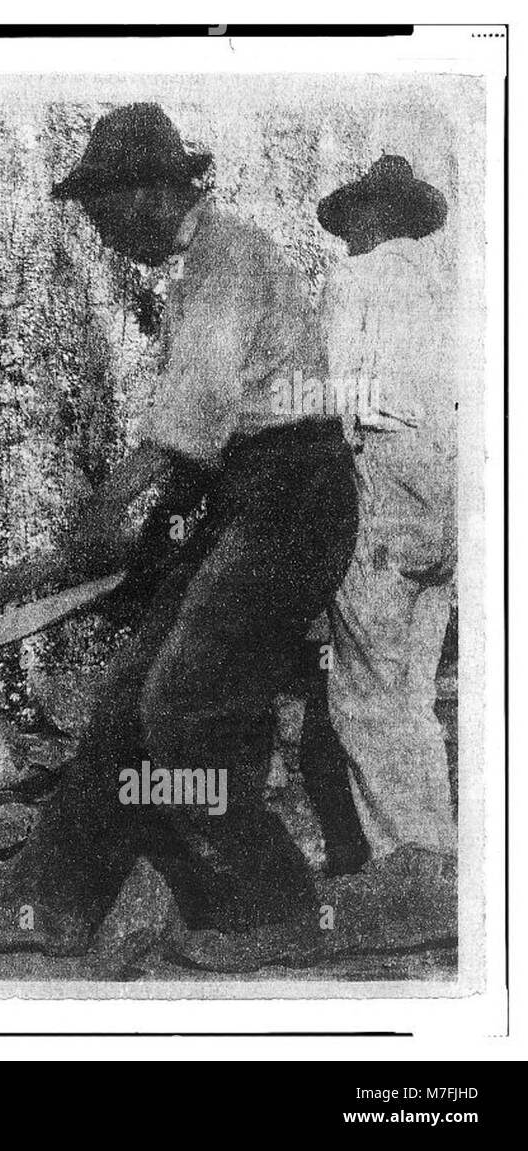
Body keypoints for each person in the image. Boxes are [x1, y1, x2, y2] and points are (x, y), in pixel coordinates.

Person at [0, 103, 359, 965]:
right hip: (250, 489)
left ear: (147, 192)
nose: (100, 232)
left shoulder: (226, 256)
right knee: (130, 700)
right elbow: (207, 446)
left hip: (294, 495)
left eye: (102, 213)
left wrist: (105, 507)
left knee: (180, 708)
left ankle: (275, 905)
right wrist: (154, 543)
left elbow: (193, 416)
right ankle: (47, 906)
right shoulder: (201, 264)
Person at [299, 155, 458, 875]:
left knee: (364, 693)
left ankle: (405, 865)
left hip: (383, 483)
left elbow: (326, 404)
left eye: (354, 222)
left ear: (370, 218)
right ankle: (439, 857)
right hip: (448, 498)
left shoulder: (355, 280)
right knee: (413, 695)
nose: (347, 236)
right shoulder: (447, 295)